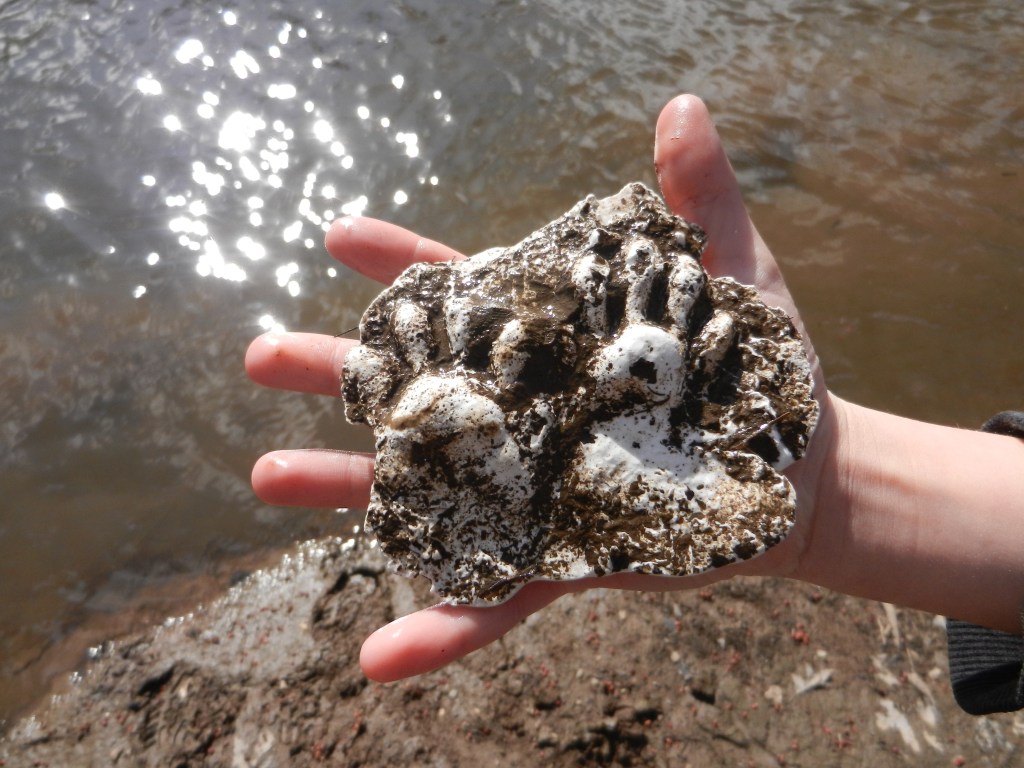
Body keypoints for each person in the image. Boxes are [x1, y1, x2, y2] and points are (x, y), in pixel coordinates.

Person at [245, 94, 1024, 713]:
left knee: (604, 398)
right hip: (577, 446)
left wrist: (832, 483)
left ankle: (612, 432)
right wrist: (840, 477)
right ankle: (583, 436)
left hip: (622, 441)